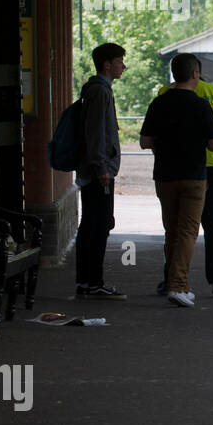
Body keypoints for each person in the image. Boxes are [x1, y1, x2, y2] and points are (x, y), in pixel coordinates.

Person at [140, 53, 213, 308]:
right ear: (195, 74)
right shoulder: (201, 105)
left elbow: (144, 141)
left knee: (172, 231)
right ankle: (177, 286)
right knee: (187, 232)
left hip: (165, 176)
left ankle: (180, 285)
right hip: (194, 176)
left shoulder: (159, 103)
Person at [152, 72, 213, 297]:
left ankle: (170, 280)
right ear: (197, 73)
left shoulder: (165, 94)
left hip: (179, 168)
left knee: (176, 229)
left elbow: (154, 136)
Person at [75, 42, 128, 300]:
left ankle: (87, 281)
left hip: (95, 168)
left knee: (93, 224)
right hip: (99, 171)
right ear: (107, 64)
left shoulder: (96, 90)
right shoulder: (100, 92)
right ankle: (92, 282)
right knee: (98, 224)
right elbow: (96, 132)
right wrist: (102, 167)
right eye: (119, 61)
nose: (123, 66)